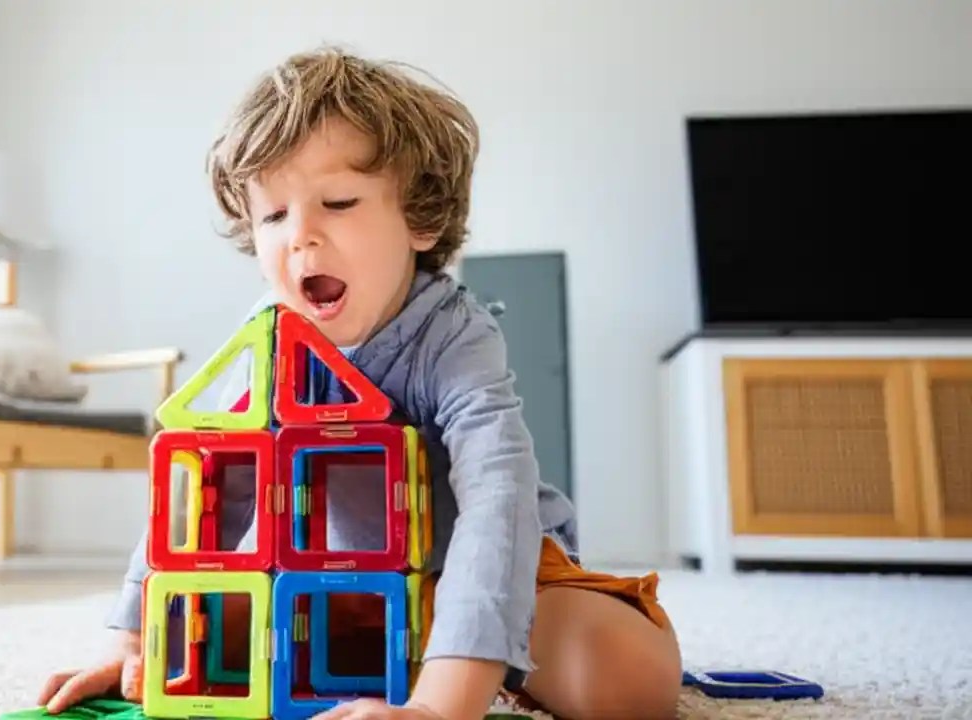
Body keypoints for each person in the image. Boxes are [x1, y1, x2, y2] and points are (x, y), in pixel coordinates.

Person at [39, 46, 682, 720]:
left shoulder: (454, 337)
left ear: (421, 220)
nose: (301, 238)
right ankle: (394, 659)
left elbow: (499, 497)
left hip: (464, 575)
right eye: (273, 216)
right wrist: (130, 639)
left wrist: (443, 704)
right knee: (201, 645)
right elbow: (204, 485)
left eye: (338, 202)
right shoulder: (271, 331)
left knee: (626, 685)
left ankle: (461, 661)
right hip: (326, 586)